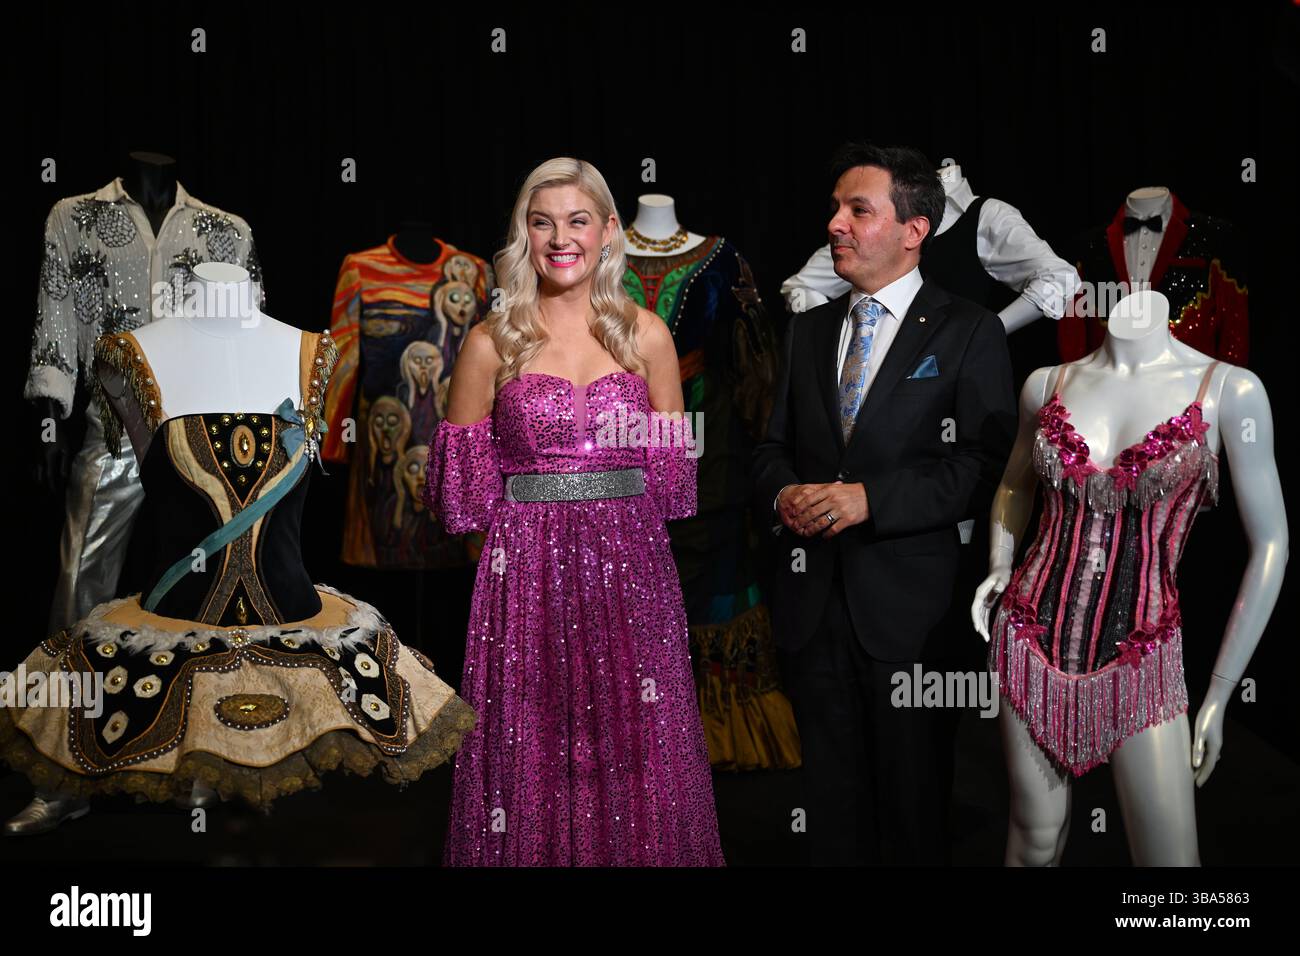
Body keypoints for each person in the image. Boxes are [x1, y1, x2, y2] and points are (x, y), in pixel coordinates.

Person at [424, 157, 725, 866]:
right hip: (524, 574)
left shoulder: (648, 334)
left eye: (578, 220)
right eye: (542, 222)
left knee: (635, 740)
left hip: (633, 572)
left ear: (609, 231)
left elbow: (674, 484)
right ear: (523, 236)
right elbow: (462, 500)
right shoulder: (489, 341)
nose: (561, 238)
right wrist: (514, 570)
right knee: (530, 743)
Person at [752, 143, 1017, 864]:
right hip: (811, 612)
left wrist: (872, 499)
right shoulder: (807, 330)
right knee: (831, 812)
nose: (835, 223)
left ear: (914, 229)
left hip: (915, 618)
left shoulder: (969, 330)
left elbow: (985, 463)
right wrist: (785, 494)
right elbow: (770, 448)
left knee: (913, 811)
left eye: (856, 210)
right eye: (835, 208)